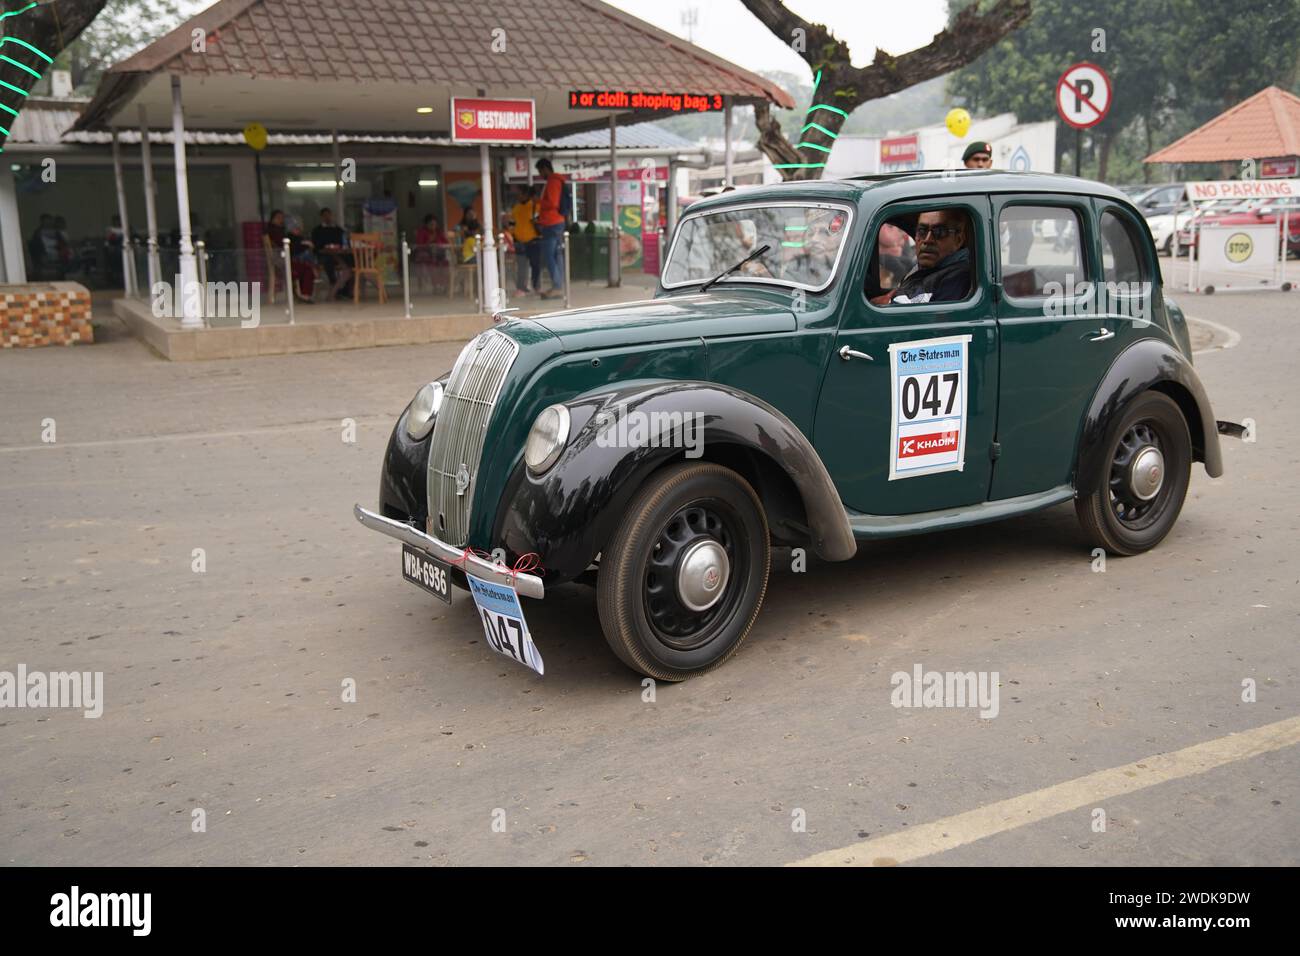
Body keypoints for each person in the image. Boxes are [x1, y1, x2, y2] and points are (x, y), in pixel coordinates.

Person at [887, 209, 972, 305]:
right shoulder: (924, 269)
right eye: (922, 231)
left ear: (958, 240)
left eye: (939, 232)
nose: (928, 240)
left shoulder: (958, 279)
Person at [266, 209, 315, 302]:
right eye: (279, 218)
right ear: (274, 219)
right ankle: (305, 295)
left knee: (304, 265)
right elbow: (287, 246)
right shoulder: (275, 231)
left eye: (282, 218)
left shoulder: (278, 230)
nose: (281, 220)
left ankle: (301, 294)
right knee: (307, 269)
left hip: (283, 259)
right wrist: (304, 245)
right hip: (282, 261)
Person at [535, 158, 566, 299]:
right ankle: (558, 285)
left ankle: (557, 286)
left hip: (551, 223)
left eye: (540, 171)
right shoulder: (557, 181)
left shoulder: (553, 181)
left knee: (549, 256)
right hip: (556, 222)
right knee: (556, 255)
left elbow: (553, 203)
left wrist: (539, 201)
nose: (540, 174)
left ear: (545, 168)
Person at [311, 207, 353, 299]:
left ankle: (346, 290)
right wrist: (324, 248)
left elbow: (344, 241)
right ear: (321, 217)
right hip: (324, 254)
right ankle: (333, 283)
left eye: (329, 215)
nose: (327, 217)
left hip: (339, 254)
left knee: (351, 261)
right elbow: (316, 246)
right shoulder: (317, 230)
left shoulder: (338, 229)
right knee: (328, 263)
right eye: (325, 216)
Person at [510, 184, 540, 293]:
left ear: (525, 194)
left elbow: (538, 221)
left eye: (519, 194)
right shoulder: (516, 208)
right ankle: (521, 287)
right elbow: (512, 224)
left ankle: (536, 286)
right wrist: (513, 236)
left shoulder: (534, 206)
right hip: (519, 240)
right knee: (521, 265)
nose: (517, 196)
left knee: (535, 265)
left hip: (533, 239)